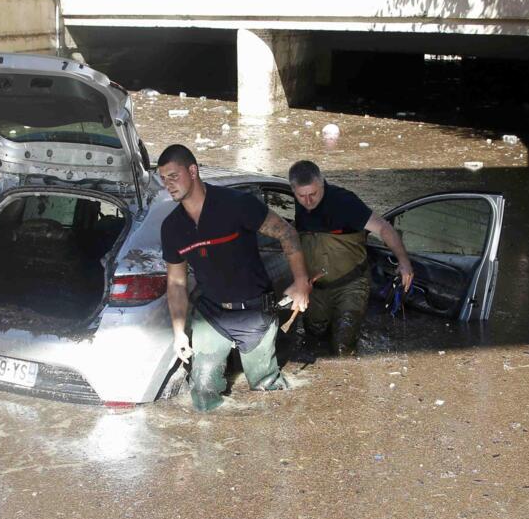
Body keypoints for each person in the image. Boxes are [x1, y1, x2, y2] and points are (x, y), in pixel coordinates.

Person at [159, 145, 312, 412]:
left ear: (193, 171)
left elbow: (287, 233)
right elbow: (176, 283)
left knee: (266, 388)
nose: (168, 185)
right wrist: (179, 333)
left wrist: (300, 282)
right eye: (163, 179)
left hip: (254, 311)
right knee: (203, 393)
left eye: (173, 176)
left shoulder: (236, 204)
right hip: (212, 314)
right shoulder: (172, 227)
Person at [288, 160, 414, 355]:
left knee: (343, 344)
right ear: (294, 190)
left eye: (313, 194)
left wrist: (404, 262)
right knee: (313, 338)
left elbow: (384, 228)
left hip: (351, 285)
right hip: (316, 287)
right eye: (302, 196)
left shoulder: (345, 202)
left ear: (322, 184)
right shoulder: (300, 202)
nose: (308, 201)